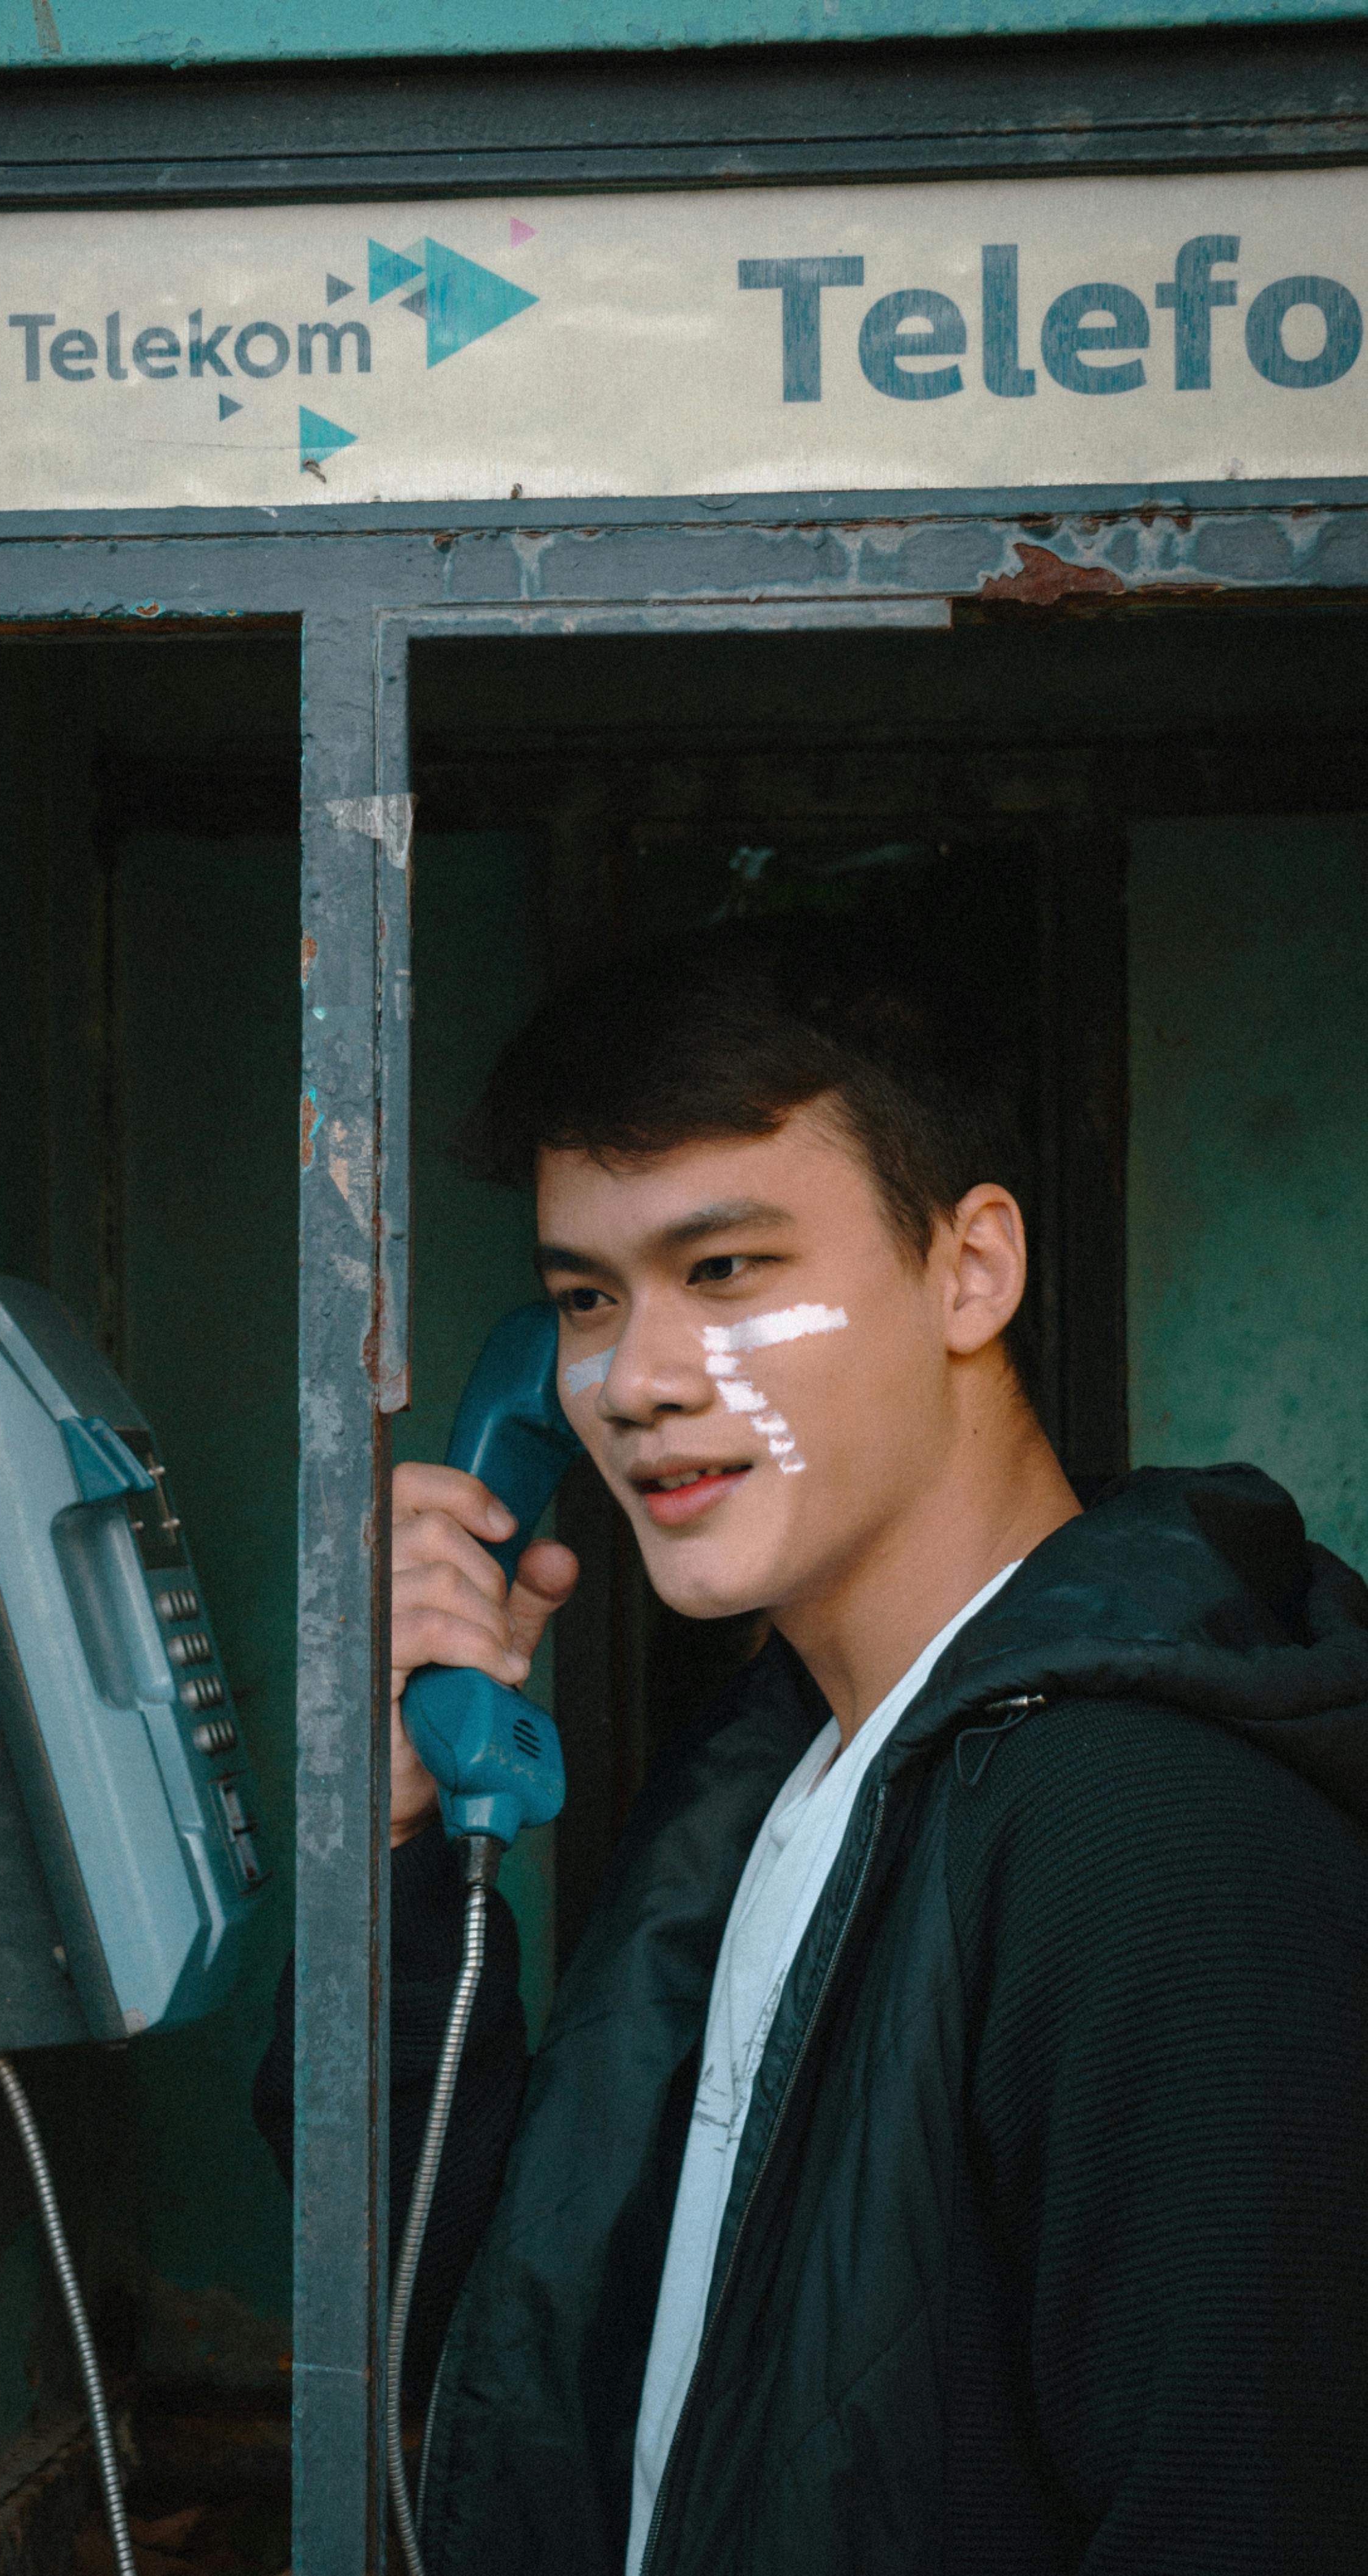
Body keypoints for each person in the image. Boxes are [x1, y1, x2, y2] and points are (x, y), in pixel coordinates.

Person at [254, 927, 1368, 2576]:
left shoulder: (1142, 1838)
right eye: (583, 1297)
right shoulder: (776, 1781)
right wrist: (407, 1826)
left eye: (726, 1272)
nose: (630, 1380)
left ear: (967, 1272)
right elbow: (497, 2336)